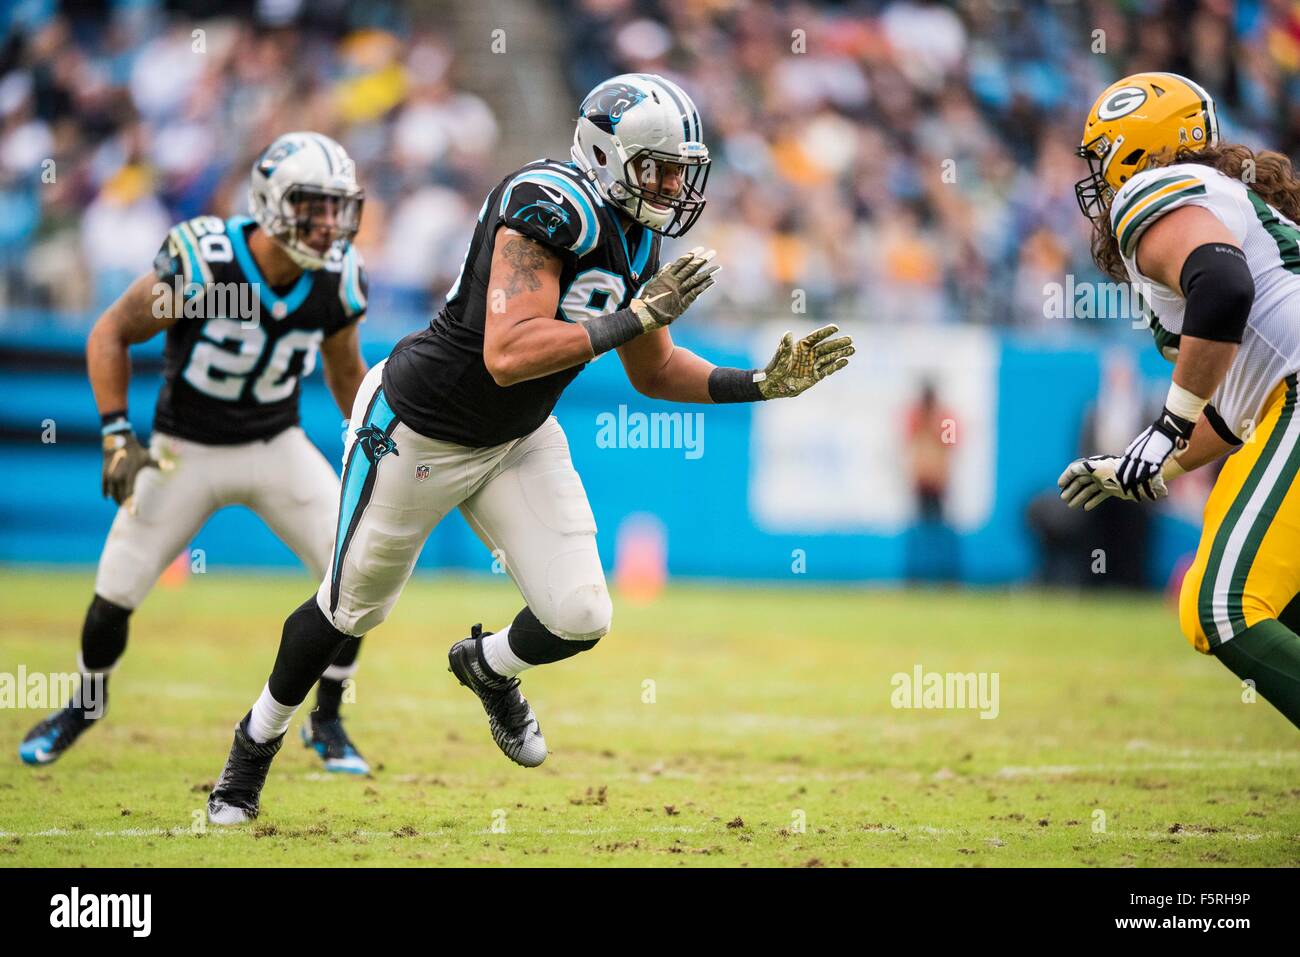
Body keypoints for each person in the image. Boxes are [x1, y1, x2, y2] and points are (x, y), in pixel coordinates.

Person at [205, 73, 855, 824]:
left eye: (682, 169)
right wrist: (637, 312)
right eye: (662, 168)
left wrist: (759, 383)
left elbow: (653, 370)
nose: (676, 185)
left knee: (581, 613)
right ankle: (248, 755)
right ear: (610, 157)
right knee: (349, 609)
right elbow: (508, 353)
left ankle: (486, 665)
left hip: (515, 437)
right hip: (418, 427)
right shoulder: (547, 205)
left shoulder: (636, 231)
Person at [20, 132, 375, 773]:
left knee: (356, 573)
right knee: (114, 593)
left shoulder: (338, 278)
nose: (327, 224)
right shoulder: (206, 261)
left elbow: (347, 374)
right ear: (270, 202)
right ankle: (84, 703)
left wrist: (378, 448)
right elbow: (112, 332)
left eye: (335, 208)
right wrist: (114, 432)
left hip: (276, 445)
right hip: (185, 449)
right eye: (311, 207)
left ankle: (326, 720)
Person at [1059, 72, 1300, 729]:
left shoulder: (1151, 190)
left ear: (1133, 153)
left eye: (1102, 161)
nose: (1099, 183)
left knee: (1224, 604)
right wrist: (1150, 463)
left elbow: (1222, 287)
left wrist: (1166, 425)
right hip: (1282, 400)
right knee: (1236, 599)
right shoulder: (1226, 197)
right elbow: (1234, 408)